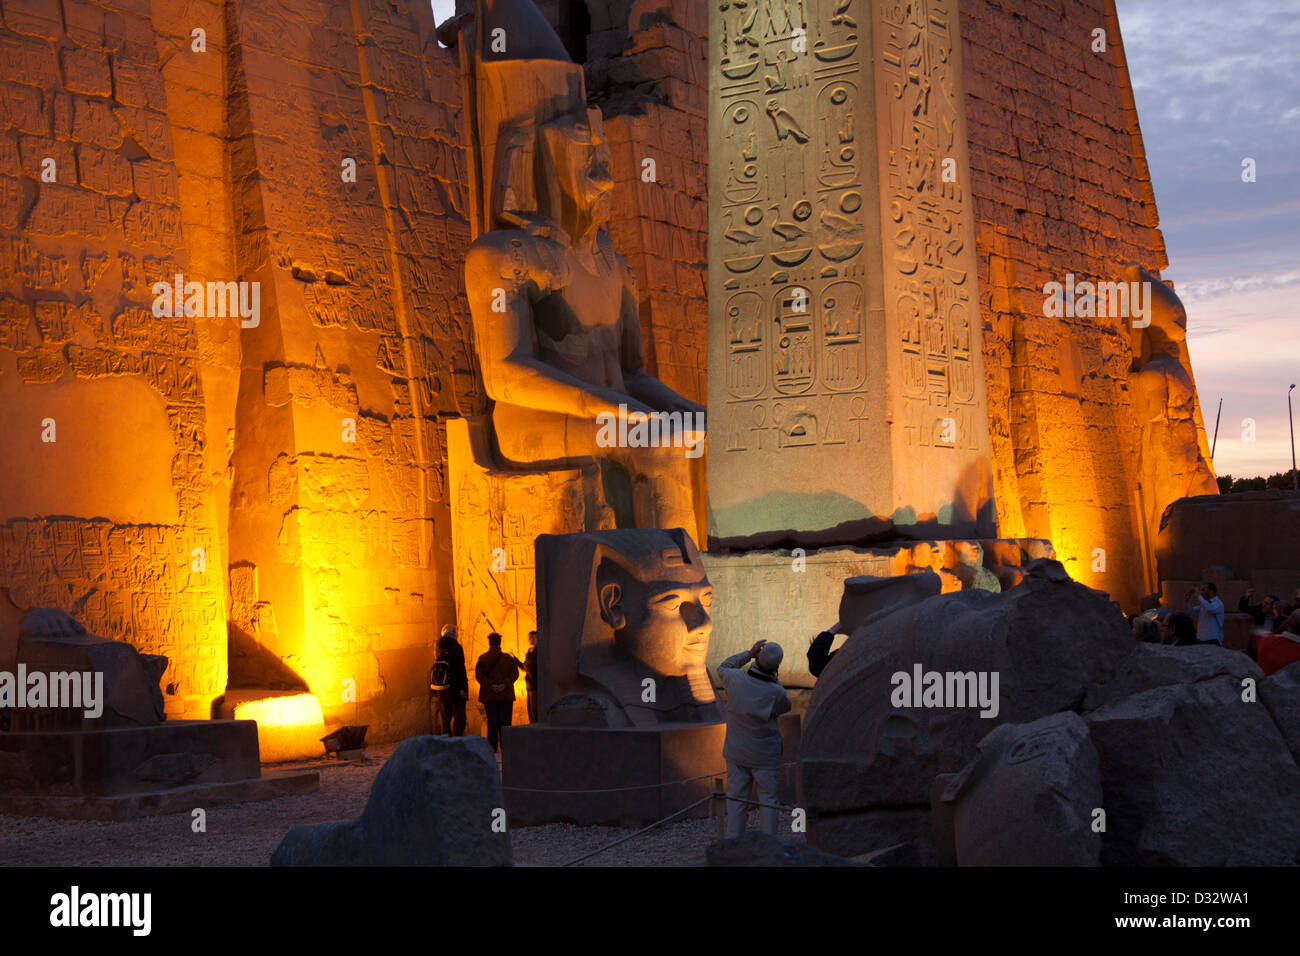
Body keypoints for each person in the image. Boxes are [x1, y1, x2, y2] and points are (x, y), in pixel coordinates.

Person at [717, 639, 791, 838]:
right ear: (777, 666)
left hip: (736, 752)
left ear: (758, 658)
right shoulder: (776, 691)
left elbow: (724, 666)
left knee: (736, 801)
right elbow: (785, 707)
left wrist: (748, 653)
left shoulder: (735, 679)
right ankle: (768, 847)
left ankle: (734, 844)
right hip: (765, 757)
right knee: (768, 801)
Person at [475, 632, 521, 753]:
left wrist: (491, 685)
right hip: (506, 695)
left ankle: (492, 750)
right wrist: (504, 684)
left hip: (489, 696)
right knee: (505, 723)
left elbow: (479, 676)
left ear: (489, 643)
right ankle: (506, 750)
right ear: (499, 643)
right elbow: (515, 674)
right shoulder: (508, 658)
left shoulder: (483, 658)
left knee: (492, 722)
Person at [429, 624, 469, 736]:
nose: (457, 636)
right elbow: (461, 668)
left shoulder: (437, 647)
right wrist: (464, 688)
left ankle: (446, 741)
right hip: (455, 687)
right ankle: (457, 741)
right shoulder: (456, 647)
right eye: (456, 633)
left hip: (442, 688)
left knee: (445, 717)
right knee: (459, 717)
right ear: (452, 634)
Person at [523, 630, 538, 723]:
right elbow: (526, 667)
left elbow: (530, 667)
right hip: (529, 686)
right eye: (529, 638)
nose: (530, 640)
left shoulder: (537, 652)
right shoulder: (530, 652)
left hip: (535, 685)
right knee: (531, 713)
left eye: (532, 638)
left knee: (535, 713)